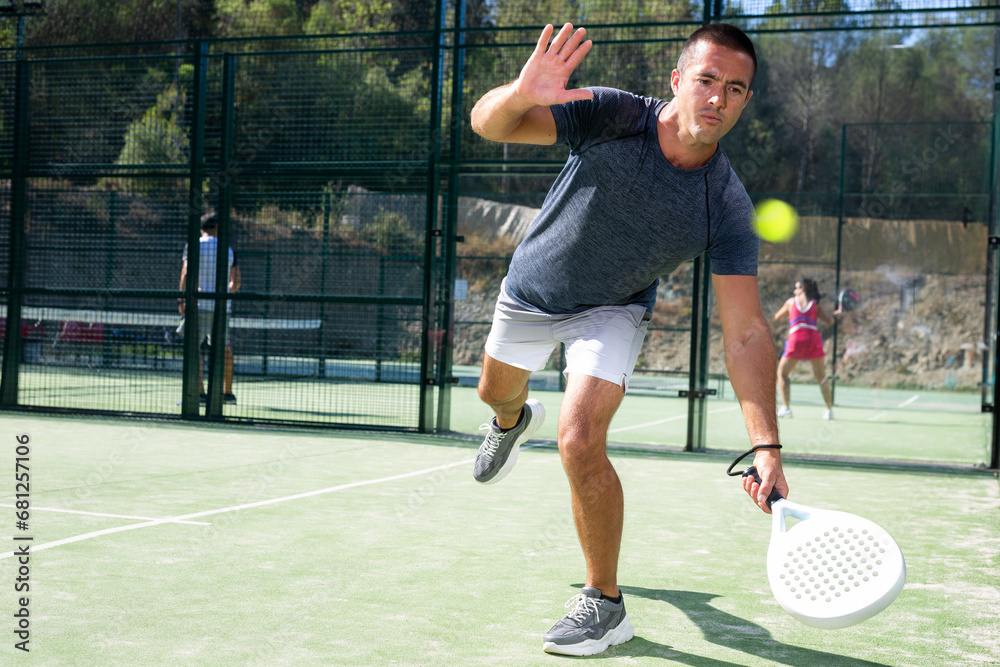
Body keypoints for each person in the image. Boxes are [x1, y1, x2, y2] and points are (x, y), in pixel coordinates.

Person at [469, 22, 788, 656]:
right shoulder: (614, 115)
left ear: (745, 102)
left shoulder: (725, 206)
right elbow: (489, 125)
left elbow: (748, 331)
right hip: (531, 292)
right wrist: (521, 91)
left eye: (734, 89)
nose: (717, 99)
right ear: (677, 80)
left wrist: (767, 445)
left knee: (580, 437)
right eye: (706, 80)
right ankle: (509, 420)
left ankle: (604, 605)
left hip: (613, 311)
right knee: (494, 393)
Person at [179, 212, 241, 404]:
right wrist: (225, 296)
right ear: (216, 228)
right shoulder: (227, 249)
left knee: (193, 348)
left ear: (202, 228)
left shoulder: (194, 245)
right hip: (222, 308)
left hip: (198, 306)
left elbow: (187, 273)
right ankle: (227, 394)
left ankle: (199, 394)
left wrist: (182, 300)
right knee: (223, 347)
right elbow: (236, 281)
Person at [773, 277, 839, 420]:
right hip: (813, 340)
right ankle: (829, 411)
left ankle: (786, 408)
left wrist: (789, 315)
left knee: (782, 374)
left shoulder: (790, 302)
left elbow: (777, 317)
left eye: (796, 287)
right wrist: (835, 315)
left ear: (802, 288)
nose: (794, 290)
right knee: (821, 376)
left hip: (795, 340)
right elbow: (830, 321)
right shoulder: (816, 305)